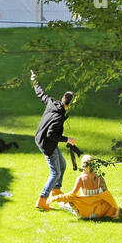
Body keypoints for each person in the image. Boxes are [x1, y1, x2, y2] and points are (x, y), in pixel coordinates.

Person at [30, 70, 75, 212]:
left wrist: (34, 80)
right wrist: (67, 139)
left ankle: (56, 190)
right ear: (69, 104)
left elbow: (41, 94)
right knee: (55, 172)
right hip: (46, 143)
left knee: (62, 164)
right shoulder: (58, 118)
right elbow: (51, 135)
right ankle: (42, 199)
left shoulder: (52, 103)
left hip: (41, 138)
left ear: (62, 99)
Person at [49, 155, 121, 220]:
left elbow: (72, 194)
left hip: (84, 211)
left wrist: (56, 198)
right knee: (105, 201)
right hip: (99, 211)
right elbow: (107, 195)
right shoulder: (100, 178)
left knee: (66, 202)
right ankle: (94, 214)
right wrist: (116, 208)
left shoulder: (81, 178)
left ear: (82, 166)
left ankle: (57, 199)